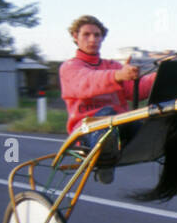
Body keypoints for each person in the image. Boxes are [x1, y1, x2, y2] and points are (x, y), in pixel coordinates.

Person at [59, 14, 156, 181]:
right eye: (86, 35)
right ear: (76, 37)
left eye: (97, 35)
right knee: (108, 113)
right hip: (87, 132)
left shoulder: (112, 66)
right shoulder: (70, 67)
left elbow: (137, 91)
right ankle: (105, 160)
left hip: (118, 125)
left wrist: (159, 76)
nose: (93, 39)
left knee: (157, 117)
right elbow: (86, 82)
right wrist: (118, 75)